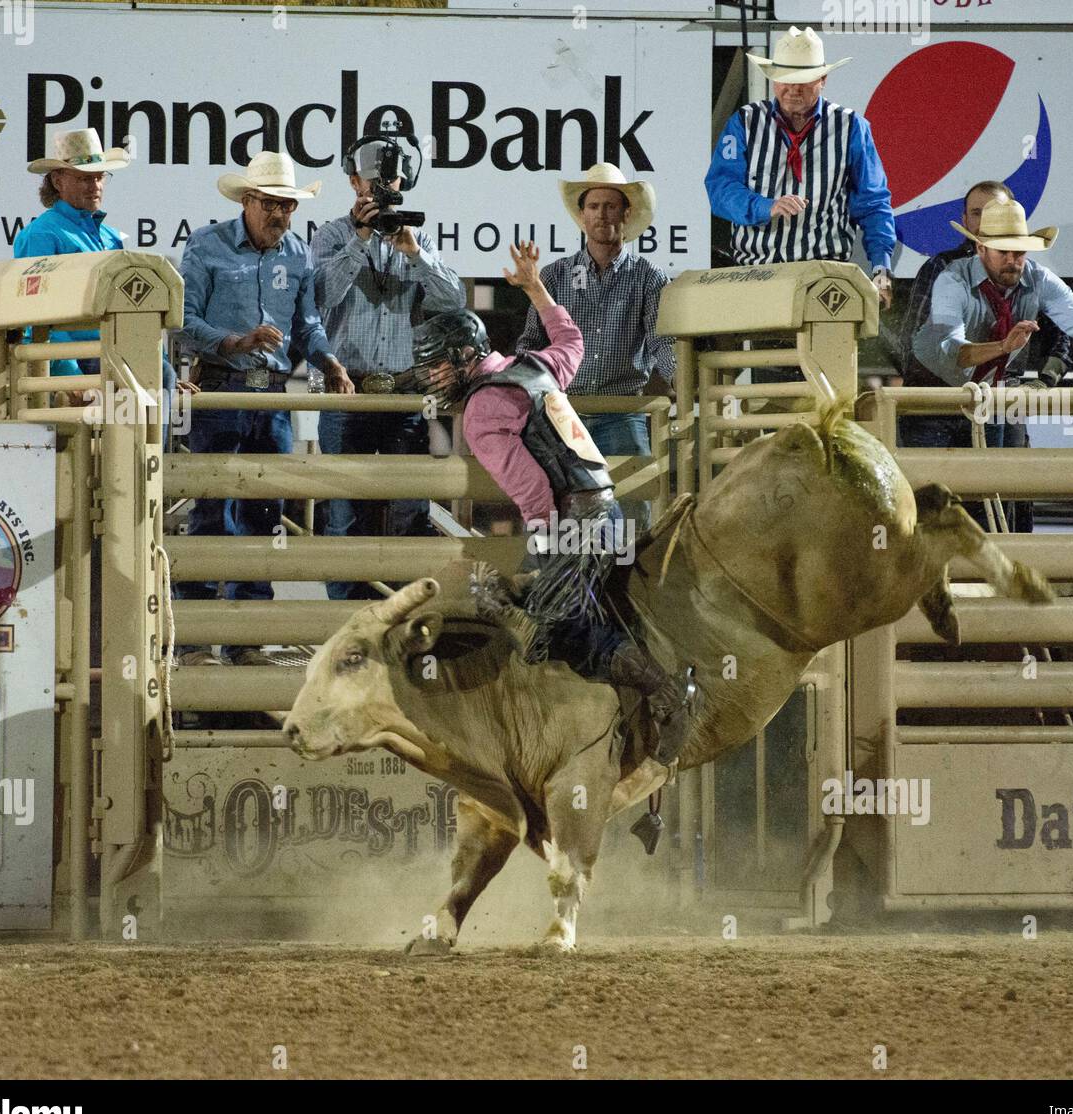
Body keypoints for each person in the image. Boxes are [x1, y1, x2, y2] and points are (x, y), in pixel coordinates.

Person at [412, 242, 695, 765]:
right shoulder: (534, 366)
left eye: (437, 368)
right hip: (605, 509)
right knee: (590, 608)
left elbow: (532, 490)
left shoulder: (481, 412)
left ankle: (664, 695)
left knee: (556, 628)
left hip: (570, 520)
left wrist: (545, 547)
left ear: (467, 358)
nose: (431, 378)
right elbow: (571, 339)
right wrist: (537, 289)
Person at [174, 151, 353, 668]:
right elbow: (183, 320)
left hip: (272, 396)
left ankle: (247, 636)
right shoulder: (206, 246)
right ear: (248, 201)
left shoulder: (296, 253)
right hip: (221, 392)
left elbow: (308, 323)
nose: (281, 215)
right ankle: (196, 639)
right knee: (212, 509)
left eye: (288, 207)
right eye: (272, 204)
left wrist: (329, 361)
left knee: (265, 514)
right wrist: (235, 340)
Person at [312, 138, 466, 600]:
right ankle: (346, 625)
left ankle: (402, 622)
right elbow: (319, 300)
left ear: (403, 183)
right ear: (354, 181)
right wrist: (360, 241)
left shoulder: (418, 237)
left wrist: (416, 253)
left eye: (391, 181)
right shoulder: (332, 235)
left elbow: (453, 301)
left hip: (403, 393)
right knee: (343, 515)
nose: (382, 189)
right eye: (373, 181)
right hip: (346, 394)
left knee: (408, 513)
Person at [517, 163, 674, 532]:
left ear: (626, 213)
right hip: (563, 413)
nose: (602, 214)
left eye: (610, 206)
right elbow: (531, 343)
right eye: (593, 206)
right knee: (552, 514)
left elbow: (661, 341)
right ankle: (554, 587)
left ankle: (630, 587)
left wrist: (681, 376)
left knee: (633, 514)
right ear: (582, 215)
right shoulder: (553, 276)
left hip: (621, 410)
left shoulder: (649, 276)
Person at [704, 26, 895, 310]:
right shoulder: (745, 122)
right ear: (773, 80)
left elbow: (873, 203)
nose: (792, 88)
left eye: (803, 81)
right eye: (785, 79)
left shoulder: (851, 127)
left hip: (826, 275)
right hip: (755, 272)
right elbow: (720, 188)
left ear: (822, 80)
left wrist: (881, 266)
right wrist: (764, 206)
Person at [15, 128, 180, 420]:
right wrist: (70, 374)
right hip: (83, 360)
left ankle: (148, 462)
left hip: (112, 356)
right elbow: (36, 315)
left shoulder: (109, 237)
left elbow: (135, 306)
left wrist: (160, 364)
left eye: (100, 176)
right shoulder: (42, 235)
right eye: (84, 178)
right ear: (58, 180)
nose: (96, 185)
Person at [897, 182, 1073, 449]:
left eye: (993, 212)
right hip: (940, 401)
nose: (985, 221)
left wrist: (1043, 382)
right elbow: (913, 340)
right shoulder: (941, 268)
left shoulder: (1030, 277)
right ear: (965, 219)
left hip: (999, 397)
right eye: (978, 213)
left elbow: (1061, 335)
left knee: (1007, 485)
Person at [912, 198, 1073, 390]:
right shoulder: (952, 279)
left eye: (1019, 252)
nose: (1012, 260)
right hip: (933, 387)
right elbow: (949, 349)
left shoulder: (1039, 277)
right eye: (1003, 251)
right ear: (981, 249)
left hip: (997, 390)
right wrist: (1004, 346)